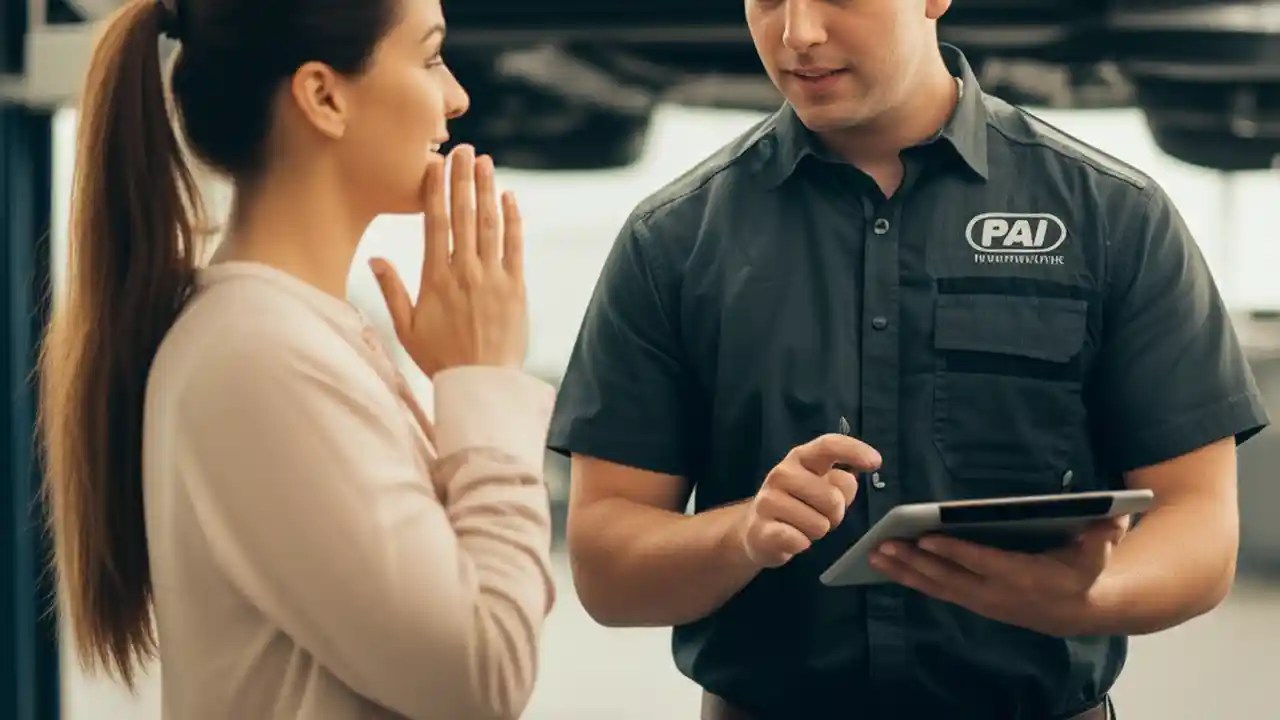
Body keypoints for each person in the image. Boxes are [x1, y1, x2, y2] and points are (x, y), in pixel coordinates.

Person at [548, 1, 1270, 719]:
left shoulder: (1115, 218)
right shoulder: (671, 242)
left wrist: (1085, 599)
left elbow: (1199, 525)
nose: (797, 32)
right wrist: (742, 534)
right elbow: (608, 571)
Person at [38, 0, 556, 718]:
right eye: (431, 56)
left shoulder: (285, 337)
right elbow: (483, 673)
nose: (457, 96)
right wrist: (487, 380)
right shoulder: (258, 355)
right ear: (322, 96)